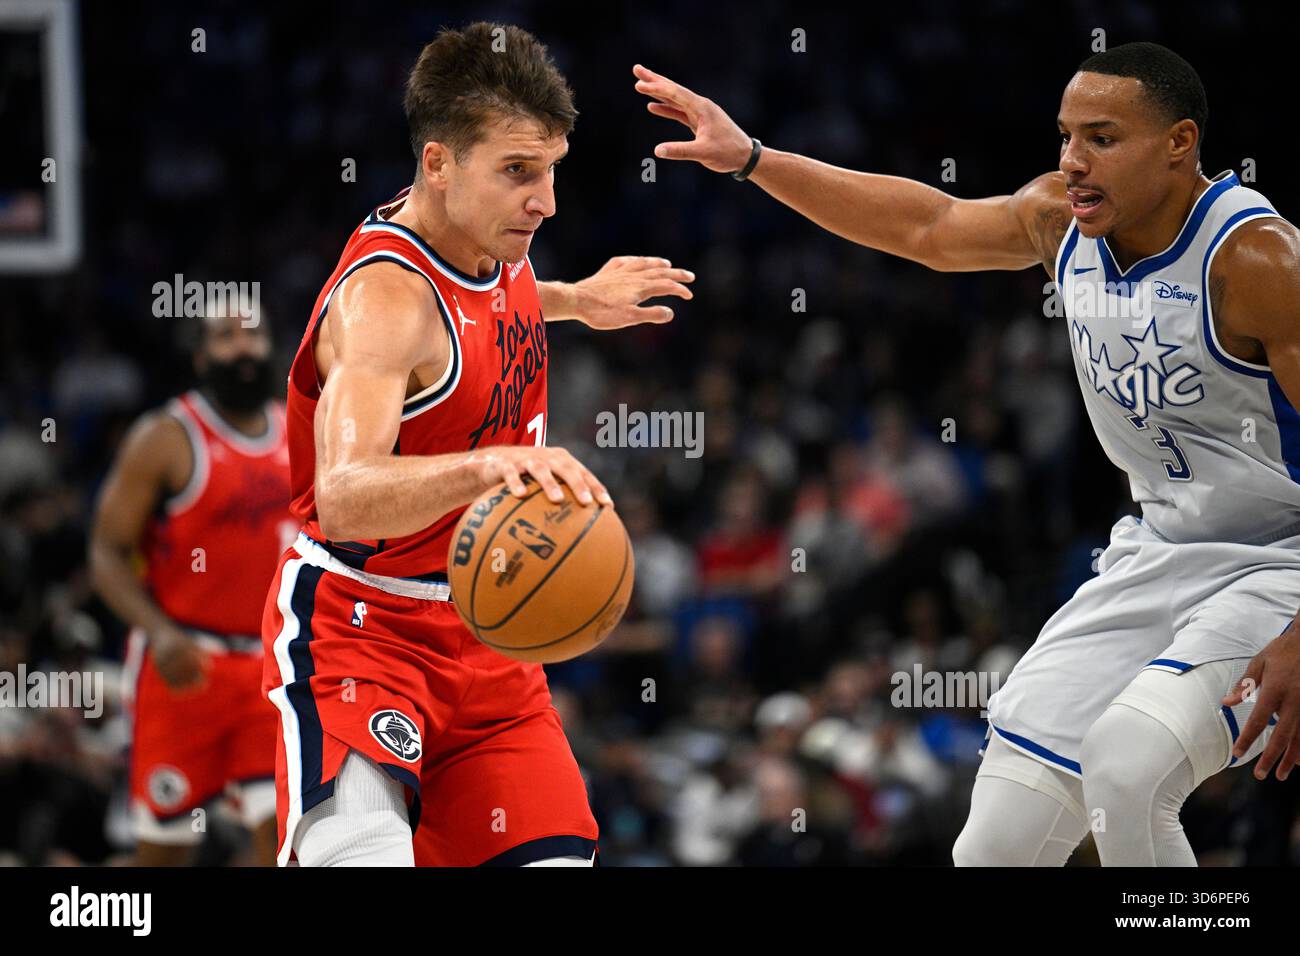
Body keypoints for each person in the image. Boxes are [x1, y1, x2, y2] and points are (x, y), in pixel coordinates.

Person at [635, 41, 1300, 865]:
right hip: (1162, 548)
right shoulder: (1060, 218)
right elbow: (927, 225)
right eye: (1064, 136)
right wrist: (754, 160)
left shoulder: (1257, 260)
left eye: (1101, 138)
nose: (1072, 160)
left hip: (1283, 562)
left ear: (1179, 143)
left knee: (1129, 766)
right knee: (994, 844)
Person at [262, 22, 694, 866]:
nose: (546, 200)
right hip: (363, 630)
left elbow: (489, 311)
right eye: (518, 172)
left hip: (490, 645)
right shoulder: (383, 300)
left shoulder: (494, 241)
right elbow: (344, 493)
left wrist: (577, 299)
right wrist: (492, 466)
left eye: (551, 170)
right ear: (437, 164)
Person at [89, 304, 293, 865]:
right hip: (185, 665)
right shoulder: (165, 437)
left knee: (283, 836)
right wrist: (159, 632)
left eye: (255, 334)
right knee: (164, 852)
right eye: (227, 338)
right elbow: (106, 552)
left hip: (270, 670)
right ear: (202, 357)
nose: (245, 348)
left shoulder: (299, 431)